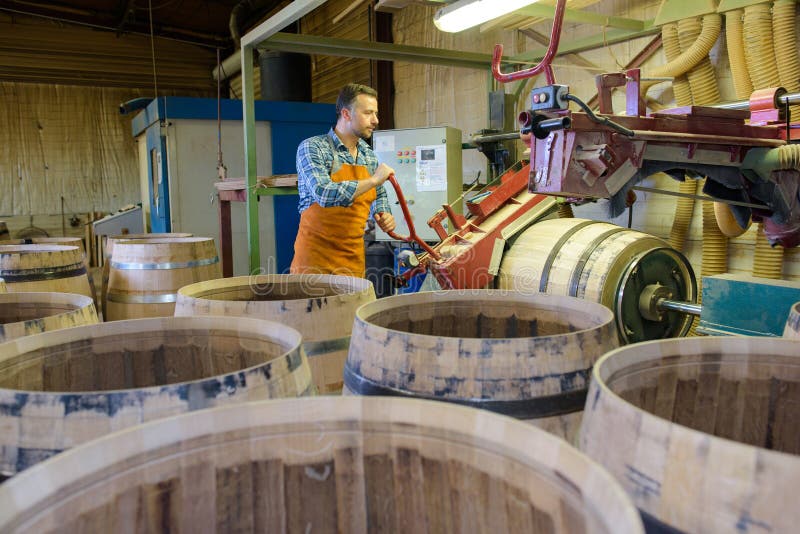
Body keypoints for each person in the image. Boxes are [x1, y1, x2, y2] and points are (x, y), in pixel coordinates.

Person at [290, 83, 396, 277]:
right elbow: (324, 194)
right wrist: (373, 180)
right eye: (368, 113)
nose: (376, 120)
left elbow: (379, 193)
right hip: (315, 263)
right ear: (346, 114)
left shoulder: (368, 155)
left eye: (376, 113)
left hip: (352, 262)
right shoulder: (313, 148)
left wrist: (384, 213)